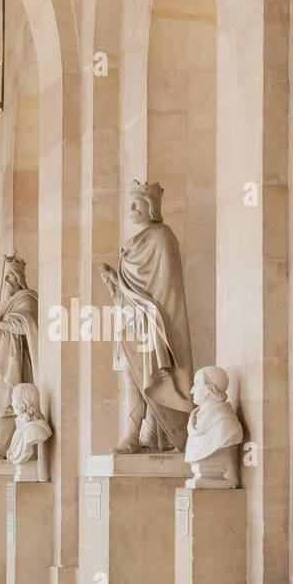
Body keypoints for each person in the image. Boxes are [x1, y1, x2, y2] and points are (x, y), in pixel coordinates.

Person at [99, 179, 193, 452]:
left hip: (154, 323)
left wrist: (141, 306)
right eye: (130, 202)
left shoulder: (163, 237)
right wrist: (115, 284)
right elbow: (133, 290)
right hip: (131, 320)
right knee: (132, 375)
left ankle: (138, 433)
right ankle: (142, 434)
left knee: (146, 376)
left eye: (137, 203)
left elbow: (166, 287)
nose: (131, 207)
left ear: (151, 207)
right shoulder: (133, 244)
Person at [0, 255, 38, 458]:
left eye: (9, 278)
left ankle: (1, 445)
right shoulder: (4, 305)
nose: (5, 283)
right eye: (3, 278)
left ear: (18, 278)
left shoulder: (27, 298)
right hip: (0, 360)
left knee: (5, 399)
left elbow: (27, 325)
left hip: (15, 361)